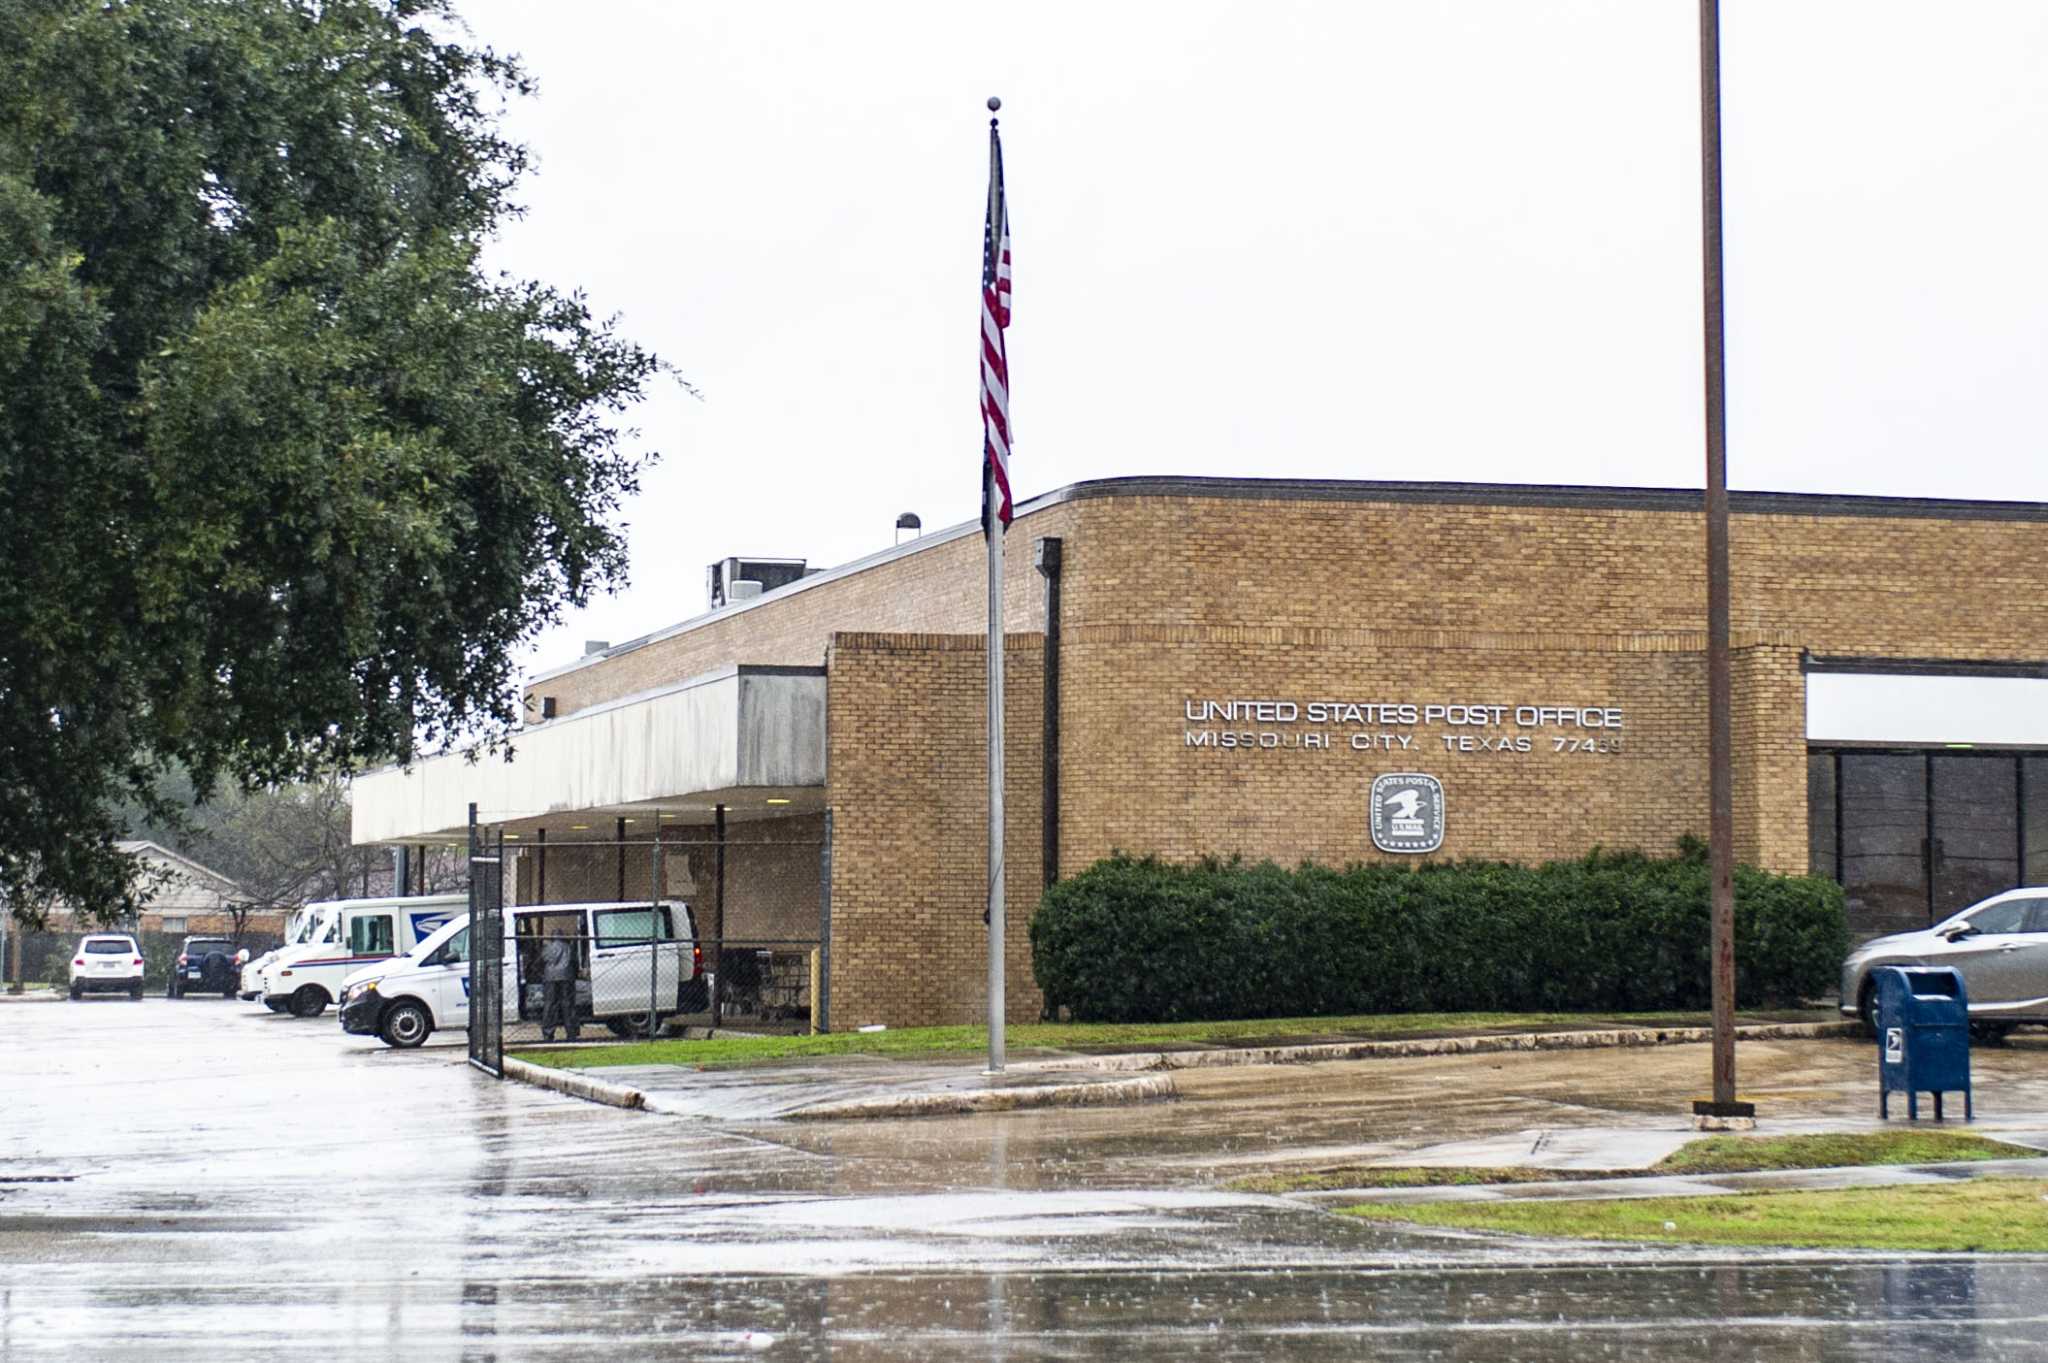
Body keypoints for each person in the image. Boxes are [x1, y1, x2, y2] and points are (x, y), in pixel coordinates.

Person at [540, 924, 579, 1042]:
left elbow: (541, 962)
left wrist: (543, 975)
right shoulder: (569, 947)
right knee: (568, 1005)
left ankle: (548, 1034)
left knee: (550, 1005)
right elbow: (575, 962)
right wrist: (575, 975)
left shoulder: (547, 948)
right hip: (567, 976)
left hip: (550, 977)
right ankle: (571, 1033)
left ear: (552, 937)